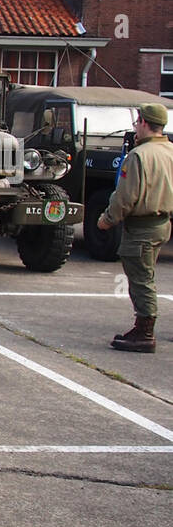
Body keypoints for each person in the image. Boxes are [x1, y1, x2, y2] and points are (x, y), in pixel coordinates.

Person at [97, 102, 173, 352]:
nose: (135, 127)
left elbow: (125, 197)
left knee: (141, 280)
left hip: (141, 227)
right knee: (147, 275)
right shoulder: (170, 151)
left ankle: (144, 331)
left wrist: (107, 219)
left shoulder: (138, 156)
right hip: (162, 223)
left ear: (143, 123)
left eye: (137, 122)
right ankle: (143, 327)